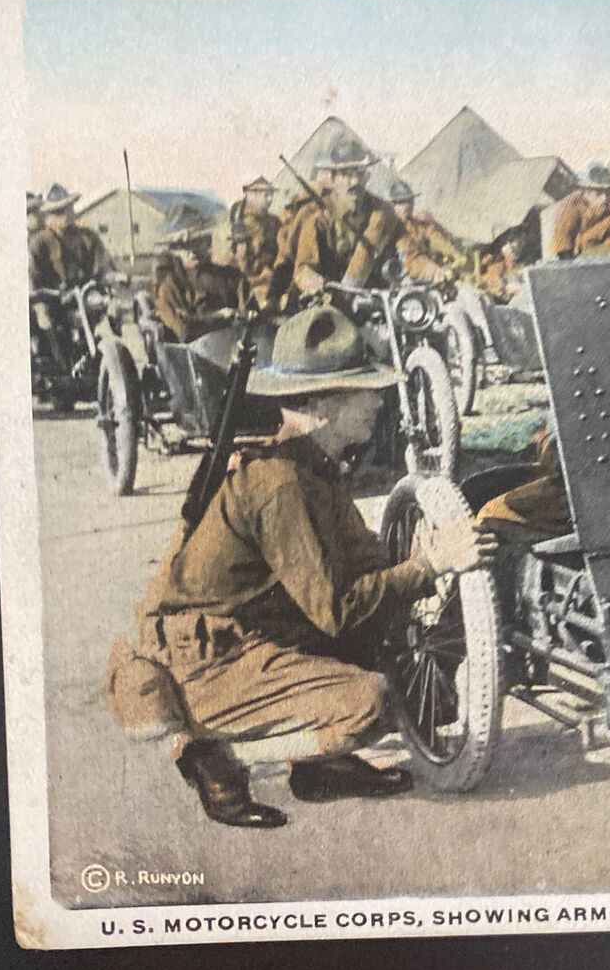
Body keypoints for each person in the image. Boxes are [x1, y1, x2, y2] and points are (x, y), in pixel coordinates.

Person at [104, 305, 498, 827]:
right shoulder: (282, 483)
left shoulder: (309, 465)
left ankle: (320, 767)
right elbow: (335, 609)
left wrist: (412, 559)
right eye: (365, 388)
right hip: (210, 658)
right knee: (371, 702)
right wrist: (427, 565)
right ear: (322, 404)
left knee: (381, 631)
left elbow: (353, 566)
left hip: (259, 632)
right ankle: (208, 750)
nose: (379, 400)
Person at [278, 140, 404, 304]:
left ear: (366, 176)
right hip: (321, 298)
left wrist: (346, 292)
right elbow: (303, 266)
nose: (354, 182)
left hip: (368, 297)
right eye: (346, 174)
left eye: (359, 173)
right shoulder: (314, 213)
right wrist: (312, 281)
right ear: (333, 178)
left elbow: (367, 250)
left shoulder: (381, 210)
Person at [150, 226, 247, 343]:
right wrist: (218, 316)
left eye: (198, 244)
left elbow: (249, 314)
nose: (192, 252)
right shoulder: (169, 282)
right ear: (174, 250)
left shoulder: (228, 276)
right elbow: (183, 329)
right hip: (194, 352)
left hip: (229, 347)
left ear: (208, 243)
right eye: (184, 247)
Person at [29, 183, 110, 290]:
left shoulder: (89, 237)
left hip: (85, 299)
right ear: (47, 216)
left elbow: (102, 269)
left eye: (68, 208)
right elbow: (34, 278)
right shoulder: (39, 242)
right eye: (58, 212)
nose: (66, 215)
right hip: (51, 301)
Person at [388, 179, 462, 284]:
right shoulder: (393, 226)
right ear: (394, 204)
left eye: (410, 201)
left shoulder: (417, 223)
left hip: (423, 270)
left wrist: (455, 255)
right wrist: (435, 271)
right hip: (403, 276)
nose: (408, 205)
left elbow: (436, 239)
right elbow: (411, 259)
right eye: (402, 202)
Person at [227, 175, 283, 309]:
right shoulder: (240, 224)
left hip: (274, 280)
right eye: (263, 193)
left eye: (269, 194)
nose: (268, 198)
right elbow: (237, 263)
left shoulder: (274, 221)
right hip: (252, 285)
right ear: (250, 194)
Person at [548, 163, 610, 260]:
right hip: (585, 262)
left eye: (606, 192)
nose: (604, 197)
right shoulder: (572, 204)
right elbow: (562, 241)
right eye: (598, 192)